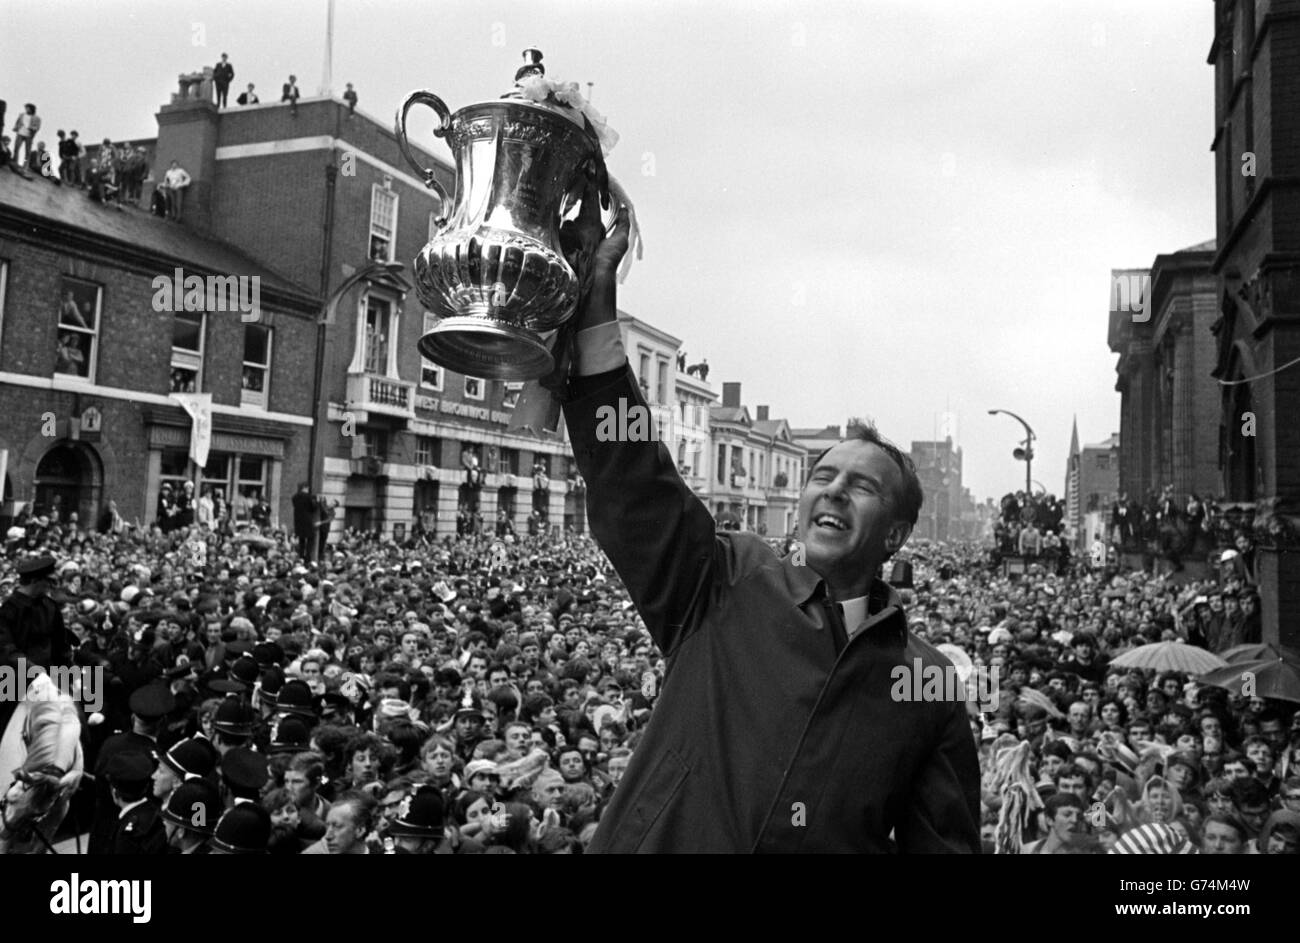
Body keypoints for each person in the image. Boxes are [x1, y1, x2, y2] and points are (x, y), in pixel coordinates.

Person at [556, 193, 979, 852]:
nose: (833, 490)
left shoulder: (926, 685)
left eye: (862, 486)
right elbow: (633, 482)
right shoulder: (729, 579)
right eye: (823, 475)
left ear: (894, 534)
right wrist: (594, 311)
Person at [292, 483, 317, 562]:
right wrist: (316, 502)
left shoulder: (294, 497)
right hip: (307, 521)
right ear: (305, 488)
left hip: (298, 522)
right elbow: (313, 508)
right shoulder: (308, 497)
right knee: (311, 537)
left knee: (301, 539)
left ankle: (301, 556)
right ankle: (307, 556)